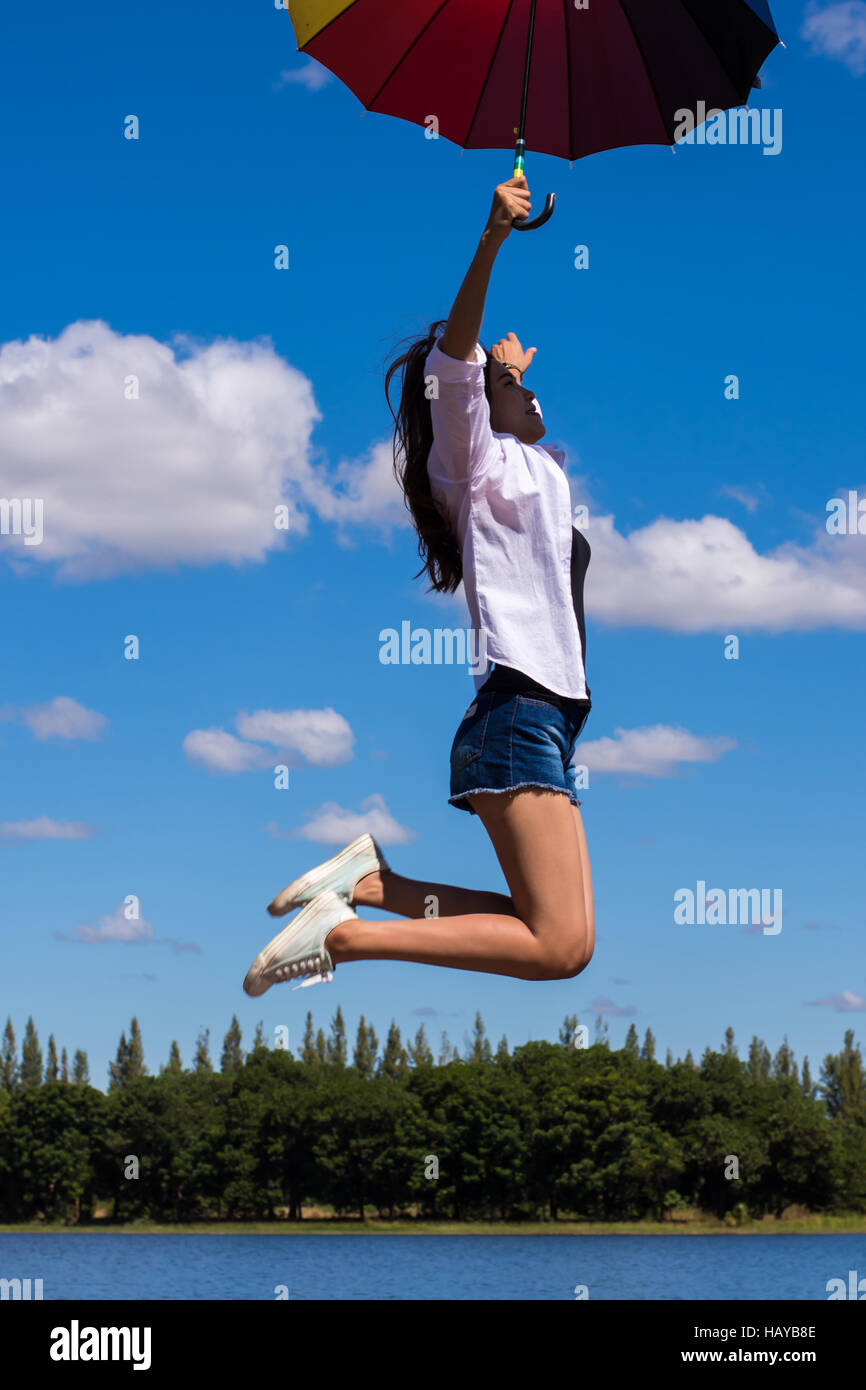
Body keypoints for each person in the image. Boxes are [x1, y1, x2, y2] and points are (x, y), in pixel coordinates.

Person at [243, 177, 594, 997]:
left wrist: (509, 379)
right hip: (518, 712)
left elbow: (491, 390)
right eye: (510, 384)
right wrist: (492, 240)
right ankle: (348, 936)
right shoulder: (467, 465)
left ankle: (372, 889)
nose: (530, 385)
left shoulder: (537, 469)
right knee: (557, 946)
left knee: (564, 943)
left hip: (544, 719)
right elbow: (451, 366)